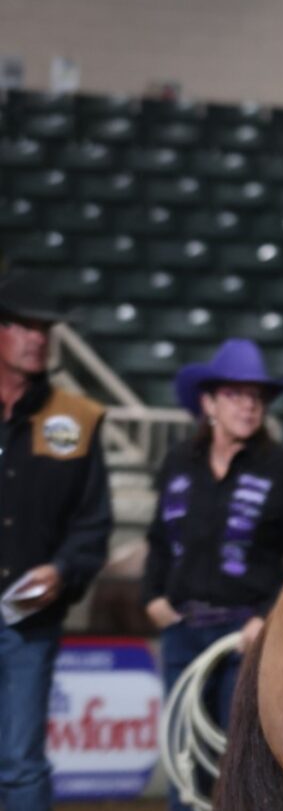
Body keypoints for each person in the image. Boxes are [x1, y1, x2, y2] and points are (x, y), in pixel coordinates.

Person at [146, 338, 283, 811]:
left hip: (245, 635)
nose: (248, 405)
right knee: (185, 757)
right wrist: (153, 596)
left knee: (235, 762)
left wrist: (267, 614)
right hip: (183, 631)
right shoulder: (179, 462)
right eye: (236, 394)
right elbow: (159, 539)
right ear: (209, 403)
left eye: (256, 397)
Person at [0, 273, 111, 811]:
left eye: (45, 329)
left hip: (27, 620)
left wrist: (63, 570)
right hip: (28, 627)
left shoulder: (77, 419)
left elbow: (93, 524)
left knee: (20, 763)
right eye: (24, 326)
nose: (37, 338)